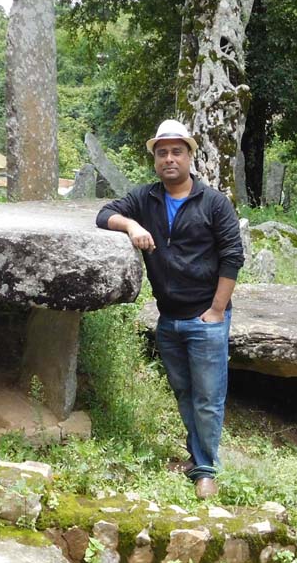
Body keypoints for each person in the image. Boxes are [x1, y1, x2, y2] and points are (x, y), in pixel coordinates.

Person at [96, 120, 244, 499]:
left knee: (208, 398)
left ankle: (206, 469)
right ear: (155, 159)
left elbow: (232, 257)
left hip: (205, 319)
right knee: (183, 392)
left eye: (177, 151)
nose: (169, 159)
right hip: (169, 318)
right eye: (162, 152)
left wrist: (216, 311)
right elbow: (103, 214)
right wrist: (130, 225)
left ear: (190, 156)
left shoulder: (213, 202)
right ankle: (198, 456)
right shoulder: (146, 199)